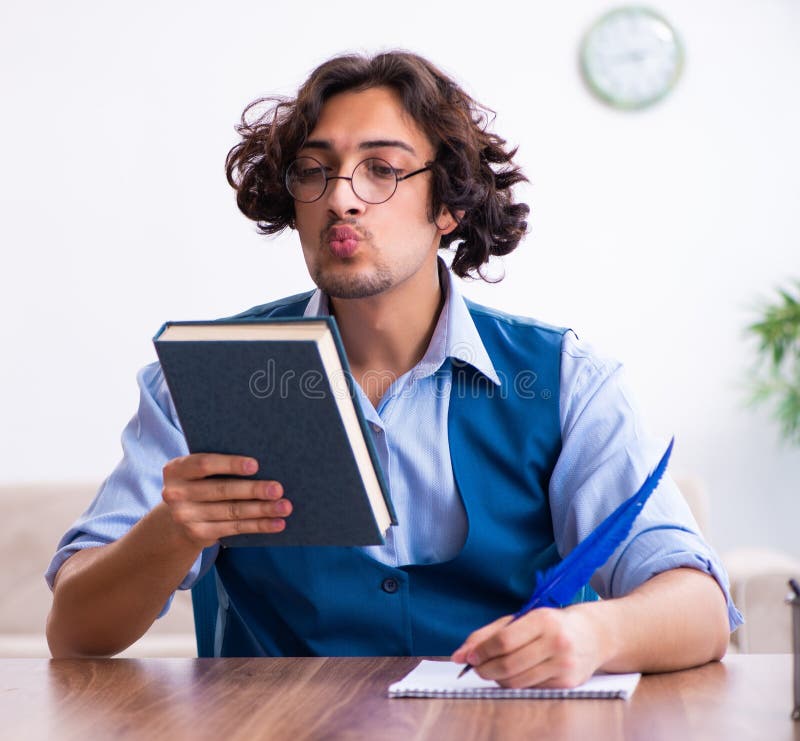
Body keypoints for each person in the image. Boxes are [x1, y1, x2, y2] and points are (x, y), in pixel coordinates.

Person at [46, 50, 742, 688]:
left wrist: (593, 632)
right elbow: (75, 633)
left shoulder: (565, 381)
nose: (341, 197)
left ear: (448, 204)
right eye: (315, 170)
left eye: (382, 168)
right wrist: (172, 530)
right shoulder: (200, 379)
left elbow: (702, 607)